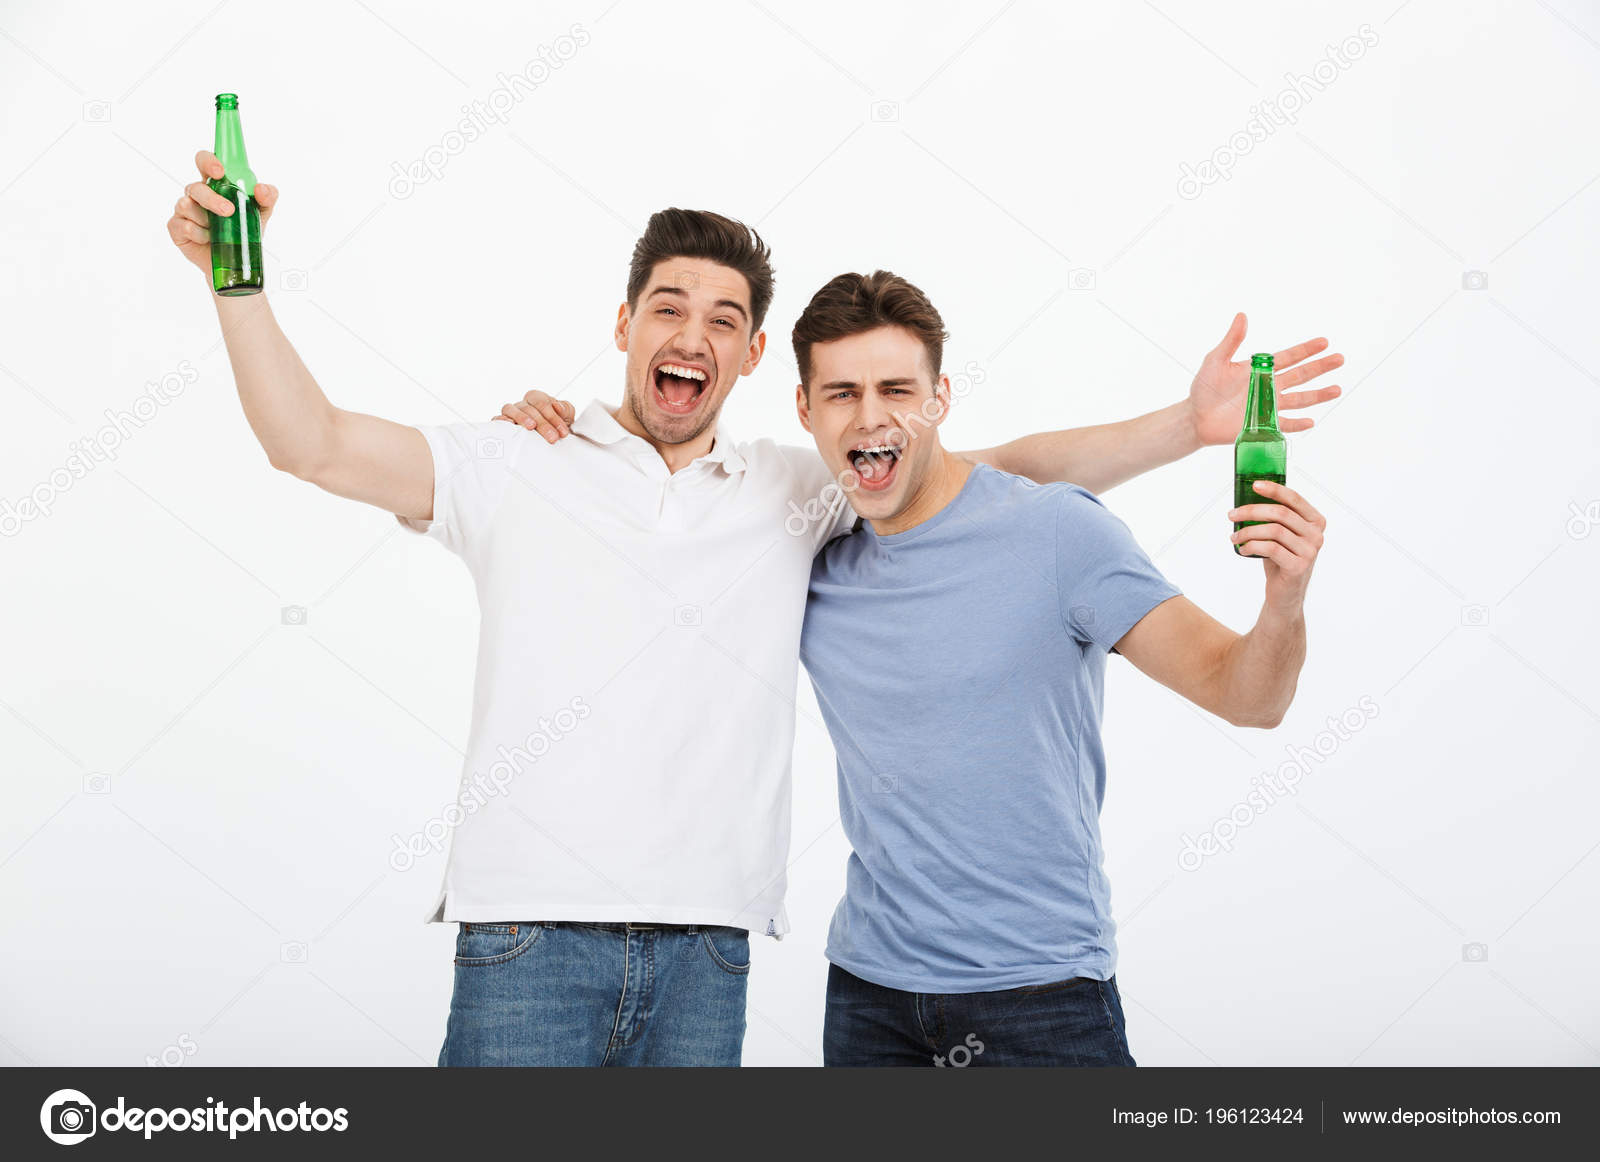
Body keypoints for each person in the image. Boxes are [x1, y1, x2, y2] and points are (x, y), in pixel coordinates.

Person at [168, 152, 1340, 1065]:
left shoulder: (798, 489)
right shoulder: (507, 462)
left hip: (712, 954)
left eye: (721, 319)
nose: (690, 335)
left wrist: (1185, 430)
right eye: (666, 308)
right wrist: (241, 283)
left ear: (749, 354)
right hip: (530, 939)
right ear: (623, 325)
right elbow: (309, 445)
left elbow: (993, 470)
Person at [780, 270, 1325, 1066]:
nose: (871, 416)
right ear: (805, 408)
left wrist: (1284, 600)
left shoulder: (1058, 532)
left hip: (1043, 1001)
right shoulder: (812, 552)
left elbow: (1248, 698)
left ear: (939, 400)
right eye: (841, 393)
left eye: (898, 388)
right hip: (869, 1001)